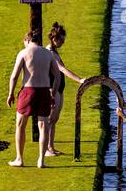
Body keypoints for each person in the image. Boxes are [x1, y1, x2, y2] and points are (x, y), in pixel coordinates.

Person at [6, 28, 85, 168]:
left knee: (20, 125)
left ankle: (19, 158)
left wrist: (11, 94)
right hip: (44, 92)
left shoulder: (24, 53)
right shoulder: (47, 54)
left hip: (28, 91)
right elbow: (58, 76)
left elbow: (14, 76)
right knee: (43, 126)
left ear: (28, 40)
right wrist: (53, 93)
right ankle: (41, 160)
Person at [43, 22, 84, 157]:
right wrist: (79, 80)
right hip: (52, 89)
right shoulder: (50, 52)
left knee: (55, 119)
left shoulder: (55, 51)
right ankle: (46, 150)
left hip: (59, 88)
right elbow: (62, 69)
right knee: (50, 119)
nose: (63, 43)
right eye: (62, 40)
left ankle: (51, 147)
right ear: (55, 39)